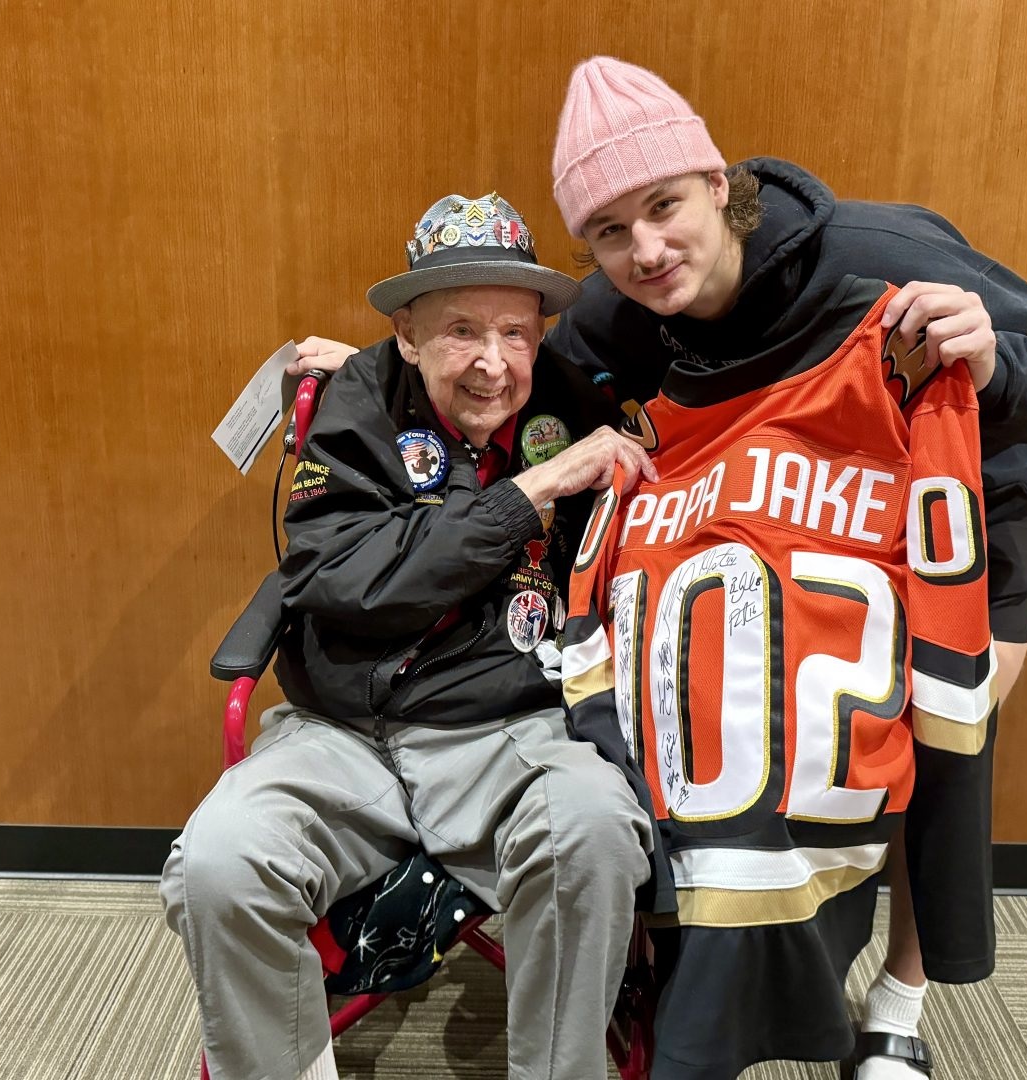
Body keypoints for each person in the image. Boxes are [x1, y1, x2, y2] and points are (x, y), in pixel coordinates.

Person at [291, 56, 1027, 1079]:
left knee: (935, 731)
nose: (643, 250)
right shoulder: (615, 311)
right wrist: (384, 373)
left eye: (663, 206)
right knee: (705, 696)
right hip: (785, 519)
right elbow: (505, 373)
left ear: (719, 187)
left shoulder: (877, 249)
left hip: (968, 493)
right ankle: (687, 963)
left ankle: (898, 1002)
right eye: (607, 230)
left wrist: (994, 360)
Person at [160, 191, 658, 1080]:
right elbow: (349, 582)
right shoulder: (354, 407)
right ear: (405, 333)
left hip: (515, 736)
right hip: (347, 737)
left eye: (515, 332)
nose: (492, 365)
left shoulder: (579, 408)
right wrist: (530, 494)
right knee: (222, 860)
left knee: (593, 828)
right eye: (460, 331)